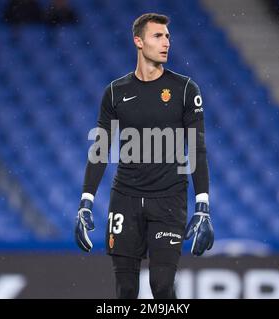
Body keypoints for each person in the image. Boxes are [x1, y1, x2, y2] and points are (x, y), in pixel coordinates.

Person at [75, 13, 214, 299]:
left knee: (161, 286)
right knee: (125, 290)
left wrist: (202, 205)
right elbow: (100, 148)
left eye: (168, 37)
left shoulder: (186, 90)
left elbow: (197, 148)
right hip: (125, 198)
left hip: (168, 201)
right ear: (138, 41)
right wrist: (86, 201)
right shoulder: (115, 92)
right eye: (158, 36)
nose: (166, 43)